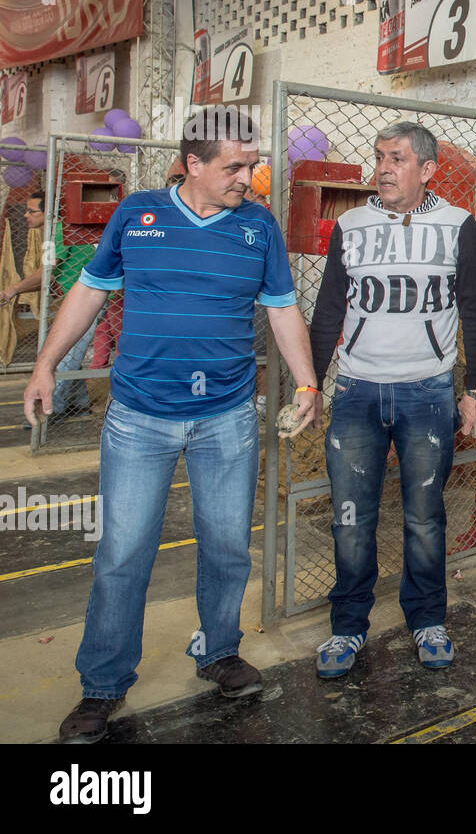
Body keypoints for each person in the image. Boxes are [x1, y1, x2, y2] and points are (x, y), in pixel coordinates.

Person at [26, 108, 322, 744]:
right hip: (139, 418)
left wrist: (307, 381)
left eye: (253, 165)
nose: (249, 177)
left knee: (225, 547)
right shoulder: (137, 214)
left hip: (227, 418)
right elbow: (88, 291)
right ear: (194, 164)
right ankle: (102, 685)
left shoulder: (258, 226)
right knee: (123, 553)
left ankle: (218, 652)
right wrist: (46, 364)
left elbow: (282, 312)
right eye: (235, 167)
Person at [309, 120, 476, 678]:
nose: (383, 168)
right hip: (358, 391)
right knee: (351, 517)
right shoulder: (350, 224)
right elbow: (327, 312)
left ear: (428, 170)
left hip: (428, 393)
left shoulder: (458, 225)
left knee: (423, 517)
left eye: (397, 159)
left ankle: (427, 619)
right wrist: (311, 385)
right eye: (379, 157)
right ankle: (347, 628)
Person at [1, 193, 101, 426]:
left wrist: (13, 289)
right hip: (75, 295)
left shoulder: (59, 230)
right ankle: (78, 402)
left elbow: (46, 271)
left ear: (49, 213)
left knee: (65, 349)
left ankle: (49, 408)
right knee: (70, 349)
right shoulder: (55, 230)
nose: (26, 215)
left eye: (32, 211)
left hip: (88, 298)